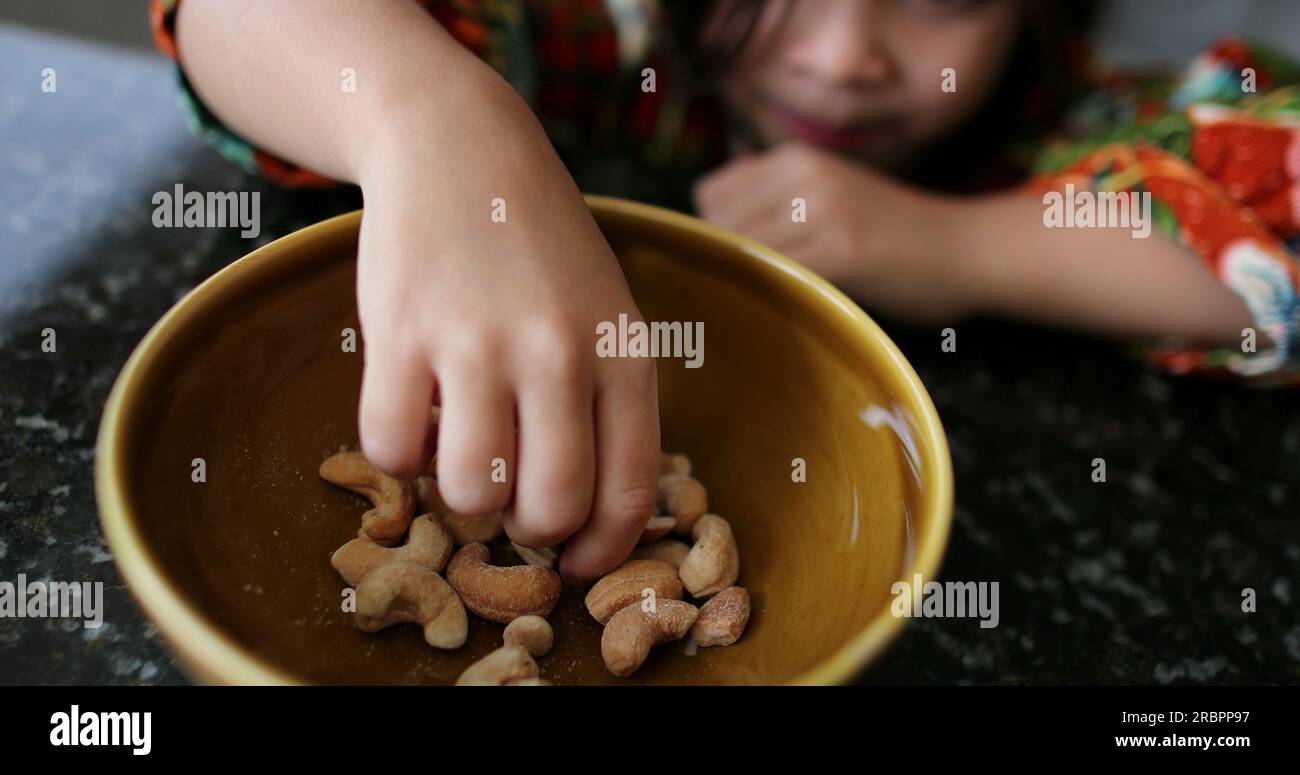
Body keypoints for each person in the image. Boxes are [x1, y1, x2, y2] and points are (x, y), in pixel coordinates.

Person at [150, 0, 1300, 581]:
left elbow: (1271, 201)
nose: (846, 52)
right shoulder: (616, 37)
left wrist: (954, 244)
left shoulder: (1061, 116)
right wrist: (436, 120)